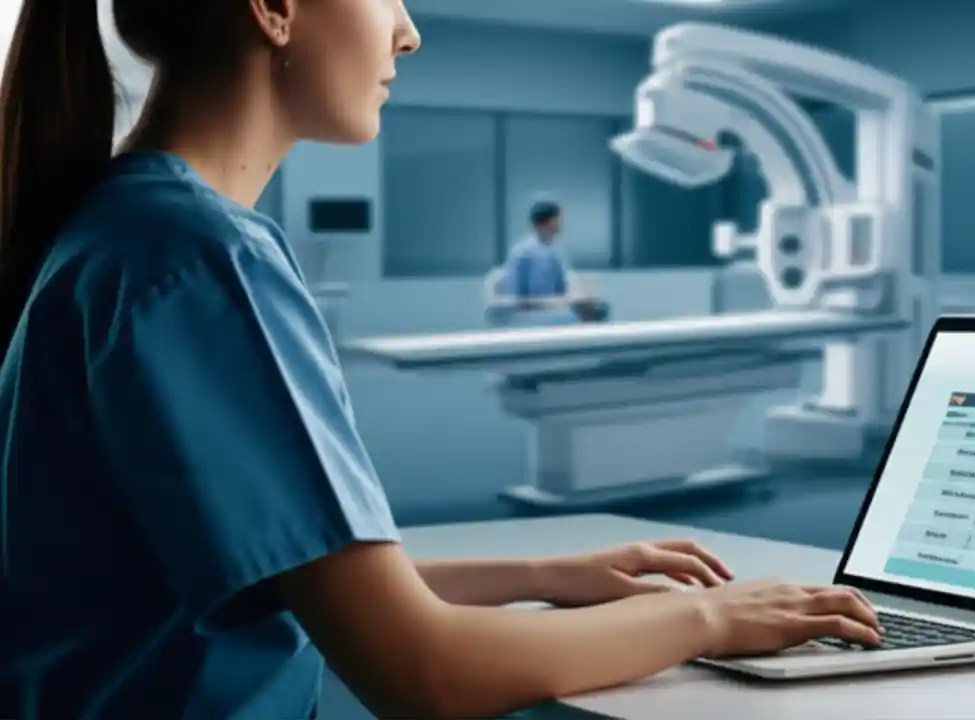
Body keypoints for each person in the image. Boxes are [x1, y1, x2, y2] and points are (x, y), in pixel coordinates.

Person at [0, 0, 881, 718]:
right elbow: (421, 671)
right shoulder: (203, 260)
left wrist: (545, 576)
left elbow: (304, 585)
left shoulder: (124, 229)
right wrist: (710, 616)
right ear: (273, 9)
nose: (410, 31)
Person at [500, 201, 608, 323]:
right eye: (557, 221)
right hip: (531, 311)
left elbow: (561, 289)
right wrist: (551, 303)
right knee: (579, 316)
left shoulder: (554, 252)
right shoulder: (522, 253)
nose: (560, 227)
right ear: (547, 223)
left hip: (552, 306)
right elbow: (516, 298)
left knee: (599, 308)